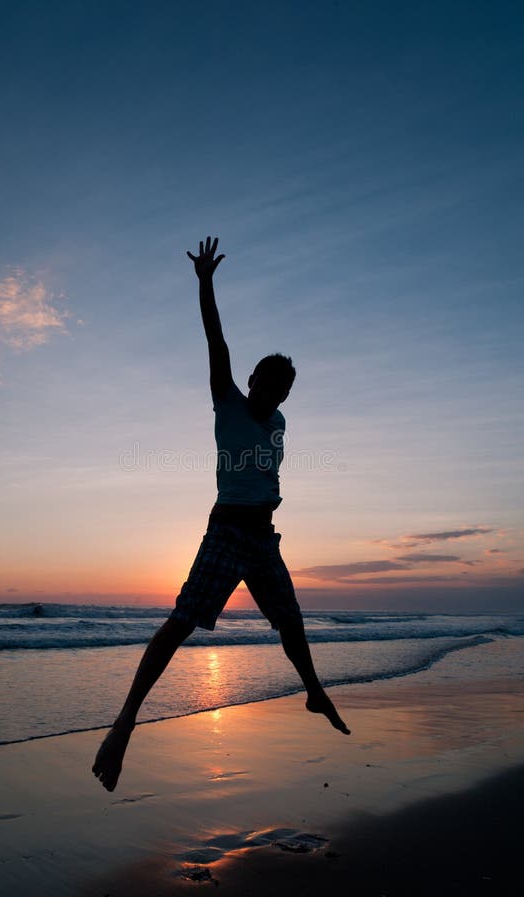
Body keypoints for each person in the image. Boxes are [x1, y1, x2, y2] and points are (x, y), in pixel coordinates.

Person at [92, 236, 350, 792]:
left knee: (291, 620)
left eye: (283, 389)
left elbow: (267, 474)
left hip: (264, 538)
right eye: (267, 382)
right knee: (181, 623)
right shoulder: (228, 401)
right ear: (251, 380)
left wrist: (272, 496)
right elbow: (216, 339)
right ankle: (124, 723)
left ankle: (312, 690)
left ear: (285, 395)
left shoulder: (279, 425)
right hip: (227, 532)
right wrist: (205, 283)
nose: (273, 392)